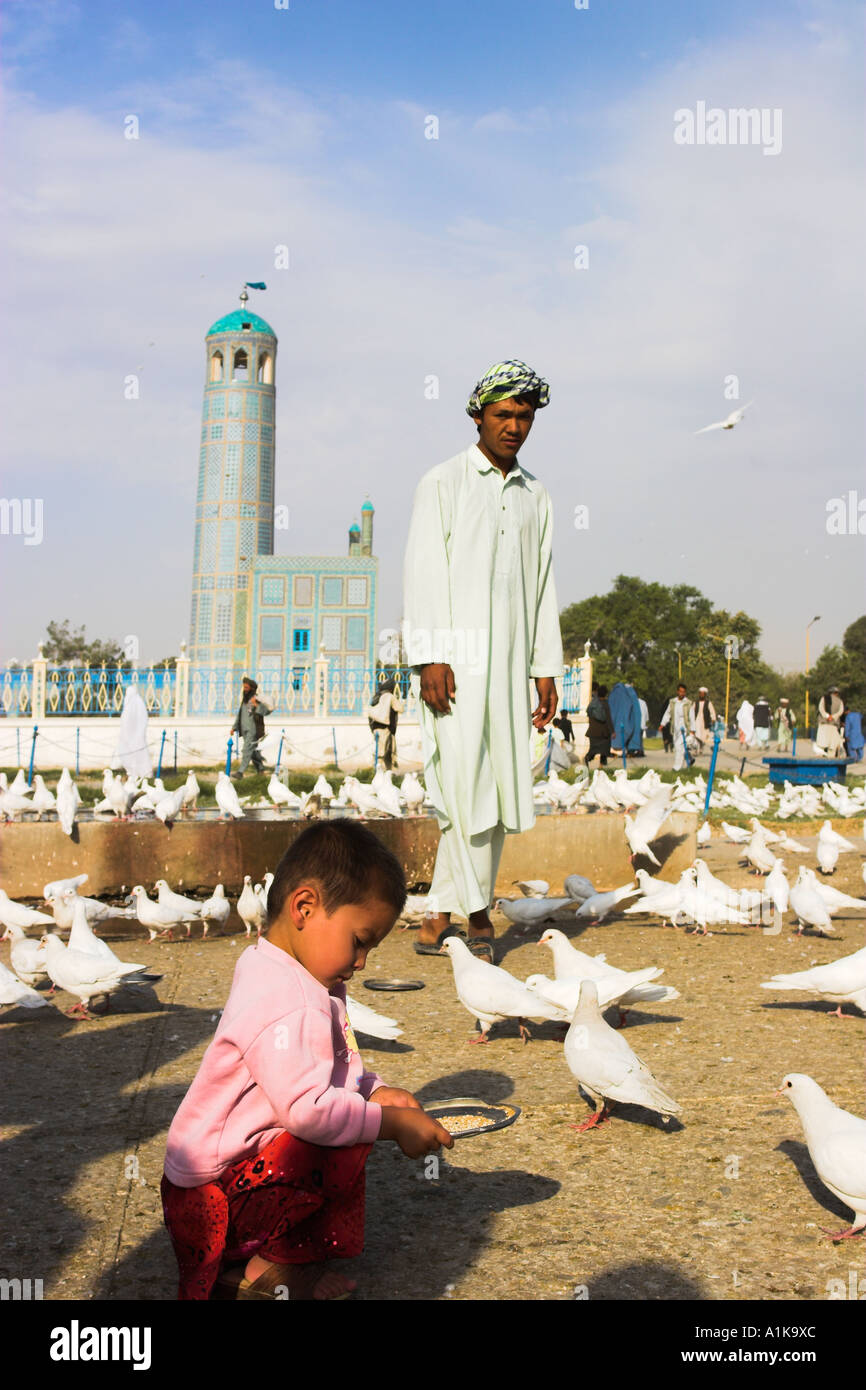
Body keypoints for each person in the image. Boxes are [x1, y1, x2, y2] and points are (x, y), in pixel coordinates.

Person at [160, 820, 453, 1301]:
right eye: (359, 942)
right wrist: (389, 1123)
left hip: (208, 1186)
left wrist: (373, 1091)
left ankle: (257, 1257)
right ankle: (270, 1268)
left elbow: (328, 1068)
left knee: (351, 1120)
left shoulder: (273, 965)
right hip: (210, 1200)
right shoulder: (289, 998)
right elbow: (310, 1110)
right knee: (338, 1141)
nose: (362, 963)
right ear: (304, 907)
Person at [403, 360, 563, 963]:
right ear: (478, 416)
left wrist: (545, 666)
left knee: (493, 787)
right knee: (460, 782)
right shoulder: (442, 483)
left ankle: (437, 915)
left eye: (524, 417)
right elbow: (423, 572)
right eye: (503, 415)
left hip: (510, 662)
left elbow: (543, 583)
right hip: (456, 663)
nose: (514, 426)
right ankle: (476, 915)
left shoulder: (536, 496)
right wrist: (430, 658)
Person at [230, 676, 272, 777]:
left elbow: (266, 711)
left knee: (246, 750)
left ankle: (240, 772)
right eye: (244, 687)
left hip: (253, 730)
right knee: (253, 751)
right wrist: (234, 727)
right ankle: (261, 770)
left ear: (252, 689)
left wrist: (256, 705)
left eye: (246, 688)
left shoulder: (256, 699)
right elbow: (240, 715)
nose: (244, 690)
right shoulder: (245, 700)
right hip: (244, 730)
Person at [111, 685, 153, 779]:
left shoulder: (136, 703)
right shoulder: (133, 702)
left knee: (138, 754)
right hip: (131, 736)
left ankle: (143, 773)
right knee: (128, 753)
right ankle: (132, 771)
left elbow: (137, 720)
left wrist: (137, 733)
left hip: (136, 736)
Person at [366, 677, 405, 771]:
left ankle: (376, 772)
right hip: (386, 729)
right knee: (387, 752)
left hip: (375, 728)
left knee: (378, 750)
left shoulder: (376, 697)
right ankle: (387, 773)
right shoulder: (390, 697)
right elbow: (400, 709)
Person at [660, 683, 691, 770]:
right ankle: (685, 763)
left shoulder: (688, 703)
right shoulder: (673, 702)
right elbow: (667, 713)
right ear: (677, 692)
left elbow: (691, 717)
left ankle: (676, 767)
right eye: (680, 691)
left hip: (684, 728)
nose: (682, 693)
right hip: (675, 728)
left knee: (678, 746)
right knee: (679, 748)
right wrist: (662, 724)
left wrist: (692, 730)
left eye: (683, 692)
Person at [584, 683, 612, 767]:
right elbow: (608, 719)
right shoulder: (605, 704)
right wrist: (612, 731)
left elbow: (588, 713)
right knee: (604, 750)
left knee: (593, 750)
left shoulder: (592, 704)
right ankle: (601, 767)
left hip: (593, 731)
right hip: (604, 732)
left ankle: (587, 760)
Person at [816, 687, 844, 756]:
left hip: (824, 724)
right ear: (836, 693)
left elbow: (821, 708)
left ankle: (819, 761)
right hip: (833, 725)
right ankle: (831, 760)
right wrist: (833, 717)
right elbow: (841, 711)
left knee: (821, 745)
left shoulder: (824, 698)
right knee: (832, 746)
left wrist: (827, 716)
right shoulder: (840, 701)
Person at [690, 687, 717, 754]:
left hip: (704, 722)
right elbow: (691, 711)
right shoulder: (695, 703)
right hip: (696, 721)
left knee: (702, 737)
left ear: (705, 694)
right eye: (700, 693)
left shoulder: (708, 703)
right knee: (696, 736)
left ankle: (701, 747)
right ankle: (696, 749)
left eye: (703, 694)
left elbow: (712, 712)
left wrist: (713, 719)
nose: (701, 695)